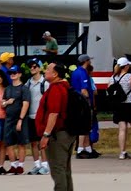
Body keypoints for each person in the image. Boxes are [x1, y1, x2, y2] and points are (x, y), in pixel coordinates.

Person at [37, 63, 74, 191]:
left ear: (55, 74)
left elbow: (53, 113)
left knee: (58, 169)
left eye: (48, 69)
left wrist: (46, 135)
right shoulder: (65, 87)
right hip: (65, 133)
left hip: (57, 135)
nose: (45, 71)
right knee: (64, 169)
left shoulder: (56, 89)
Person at [67, 55, 98, 159]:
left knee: (85, 126)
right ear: (86, 61)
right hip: (83, 103)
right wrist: (88, 103)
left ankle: (88, 148)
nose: (90, 62)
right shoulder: (83, 72)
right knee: (84, 126)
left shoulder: (75, 72)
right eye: (89, 60)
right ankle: (81, 149)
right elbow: (84, 90)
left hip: (76, 101)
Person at [1, 66, 29, 175]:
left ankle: (20, 166)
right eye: (11, 73)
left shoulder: (24, 88)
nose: (12, 75)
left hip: (20, 118)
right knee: (9, 143)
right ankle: (13, 165)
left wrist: (21, 119)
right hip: (9, 119)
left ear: (20, 74)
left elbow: (26, 104)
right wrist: (7, 102)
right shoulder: (8, 88)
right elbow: (2, 103)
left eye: (15, 73)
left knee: (21, 143)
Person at [24, 60, 49, 175]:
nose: (32, 68)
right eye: (30, 67)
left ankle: (45, 165)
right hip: (30, 116)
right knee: (33, 142)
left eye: (34, 66)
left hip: (41, 117)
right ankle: (37, 165)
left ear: (40, 68)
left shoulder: (45, 83)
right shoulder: (28, 83)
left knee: (42, 142)